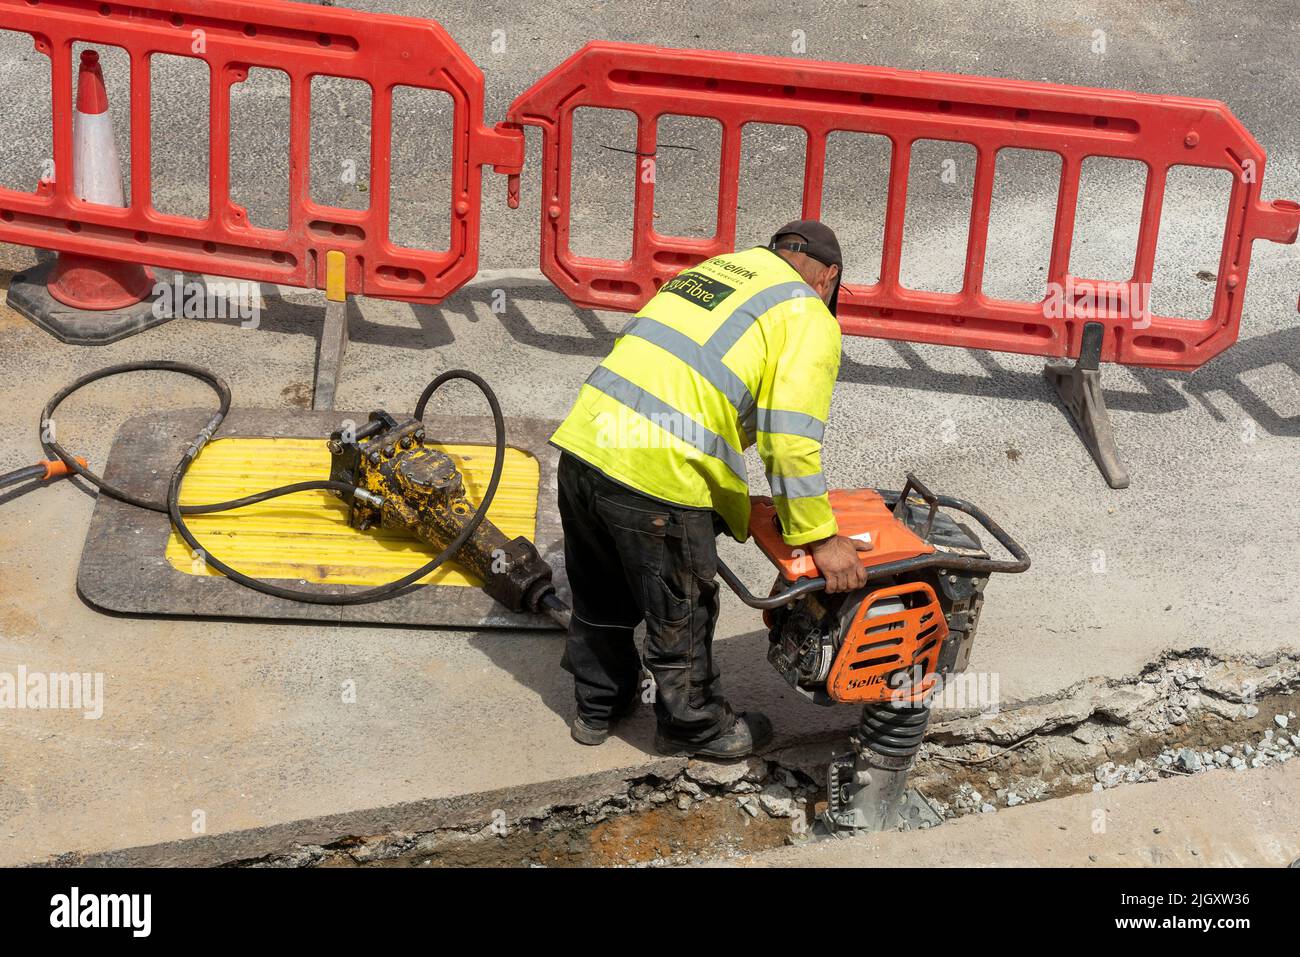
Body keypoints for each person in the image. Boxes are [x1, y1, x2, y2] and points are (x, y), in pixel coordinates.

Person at [550, 219, 869, 758]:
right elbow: (788, 441)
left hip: (585, 446)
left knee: (601, 592)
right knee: (683, 606)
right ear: (829, 277)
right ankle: (695, 726)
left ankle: (596, 707)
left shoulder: (721, 273)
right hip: (656, 478)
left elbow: (694, 385)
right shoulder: (807, 313)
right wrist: (819, 537)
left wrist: (726, 500)